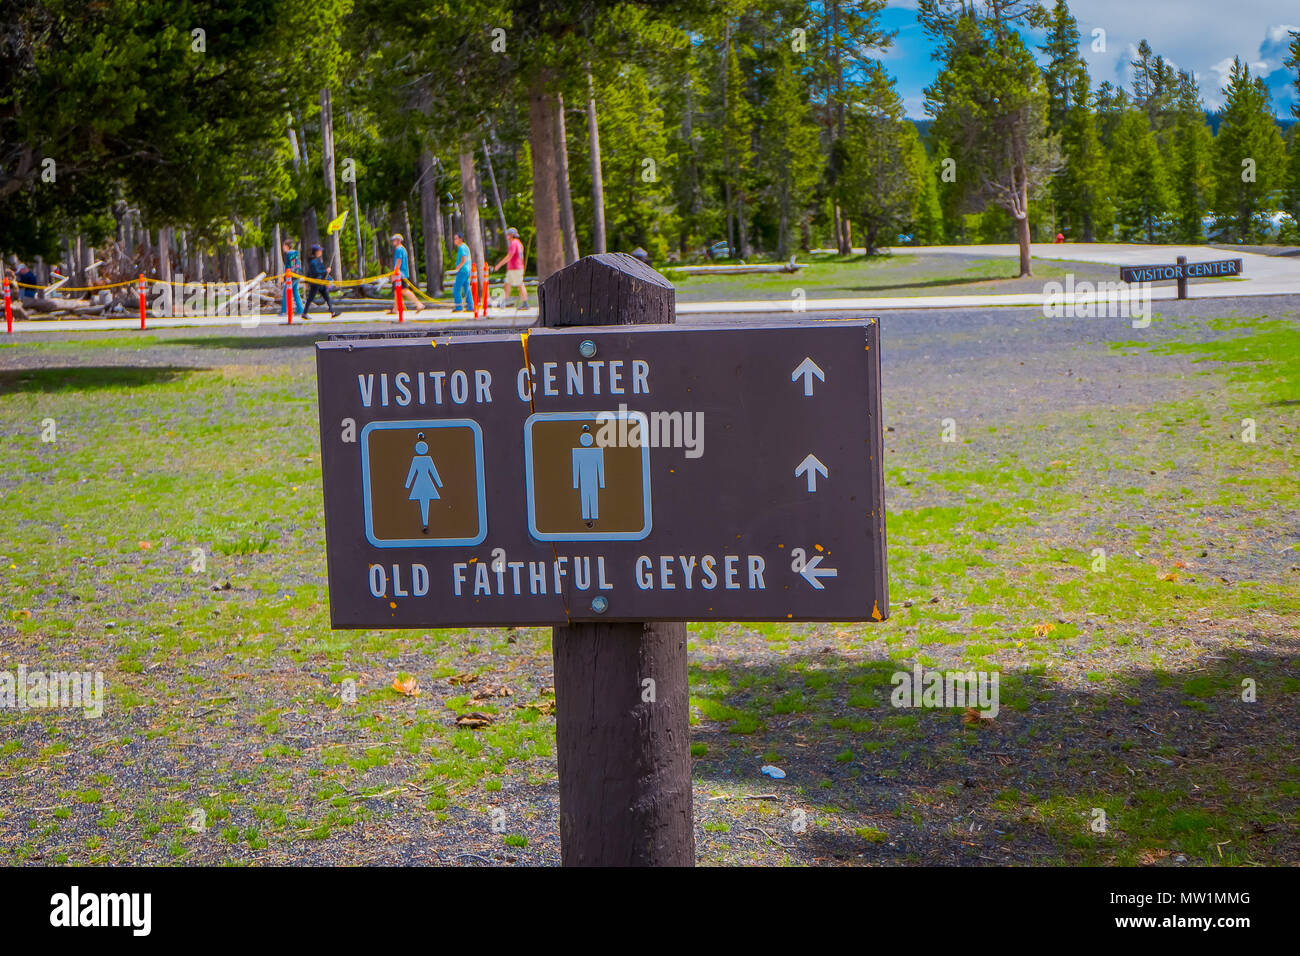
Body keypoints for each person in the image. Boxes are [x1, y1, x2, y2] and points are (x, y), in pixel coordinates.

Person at [491, 227, 528, 310]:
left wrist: (499, 265)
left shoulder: (513, 243)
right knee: (507, 284)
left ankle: (525, 303)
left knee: (520, 285)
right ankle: (505, 302)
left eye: (508, 234)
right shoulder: (519, 243)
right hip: (514, 268)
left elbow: (509, 256)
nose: (506, 236)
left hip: (515, 268)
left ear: (511, 235)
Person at [301, 244, 340, 319]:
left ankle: (332, 312)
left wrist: (328, 277)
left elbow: (312, 272)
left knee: (327, 297)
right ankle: (304, 313)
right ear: (316, 252)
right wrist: (325, 270)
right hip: (316, 283)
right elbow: (315, 272)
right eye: (320, 251)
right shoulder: (313, 262)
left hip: (321, 282)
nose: (321, 252)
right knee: (310, 298)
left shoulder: (317, 261)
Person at [389, 233, 423, 315]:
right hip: (401, 273)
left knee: (404, 290)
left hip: (400, 274)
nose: (393, 241)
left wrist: (395, 273)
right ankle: (395, 309)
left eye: (395, 240)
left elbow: (398, 261)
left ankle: (419, 304)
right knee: (397, 292)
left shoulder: (399, 249)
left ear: (399, 241)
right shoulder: (403, 249)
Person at [279, 239, 304, 316]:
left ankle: (284, 311)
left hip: (290, 276)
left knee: (286, 292)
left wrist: (284, 277)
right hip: (296, 275)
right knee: (295, 293)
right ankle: (300, 310)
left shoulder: (288, 255)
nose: (283, 247)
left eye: (283, 246)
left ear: (287, 246)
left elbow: (288, 266)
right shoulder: (296, 254)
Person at [451, 233, 472, 313]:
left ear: (460, 239)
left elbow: (464, 259)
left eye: (455, 239)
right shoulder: (464, 247)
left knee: (456, 289)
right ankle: (470, 306)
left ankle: (458, 307)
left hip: (462, 271)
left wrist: (458, 267)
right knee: (466, 289)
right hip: (467, 270)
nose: (454, 241)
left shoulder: (462, 248)